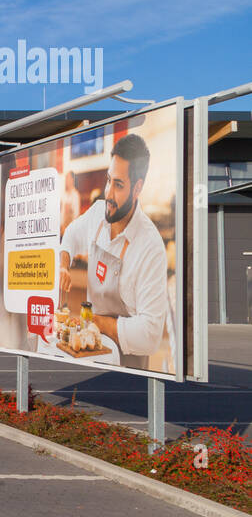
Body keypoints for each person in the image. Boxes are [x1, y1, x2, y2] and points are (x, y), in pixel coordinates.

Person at [57, 133, 169, 366]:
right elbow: (70, 236)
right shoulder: (98, 213)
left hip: (129, 362)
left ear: (137, 188)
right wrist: (63, 265)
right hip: (90, 349)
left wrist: (96, 322)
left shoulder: (150, 246)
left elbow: (150, 334)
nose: (108, 193)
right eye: (109, 180)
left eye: (118, 185)